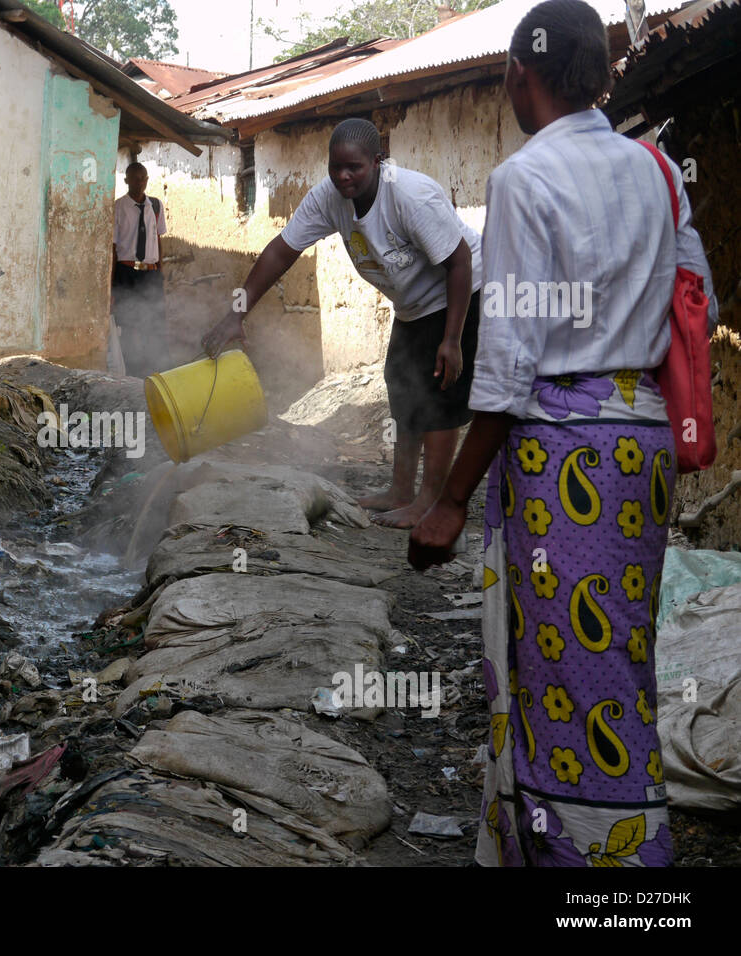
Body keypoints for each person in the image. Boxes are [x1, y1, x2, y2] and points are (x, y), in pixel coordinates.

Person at [408, 0, 718, 867]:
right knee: (619, 654)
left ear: (517, 73)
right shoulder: (658, 170)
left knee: (568, 674)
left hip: (562, 458)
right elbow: (700, 305)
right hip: (644, 448)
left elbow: (505, 365)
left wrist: (448, 502)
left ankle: (606, 875)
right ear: (605, 77)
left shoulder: (522, 180)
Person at [203, 119, 482, 528]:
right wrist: (236, 313)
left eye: (354, 168)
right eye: (336, 167)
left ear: (377, 161)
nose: (344, 176)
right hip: (413, 304)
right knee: (403, 388)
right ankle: (401, 491)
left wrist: (453, 339)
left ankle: (430, 502)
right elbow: (282, 252)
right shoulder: (328, 198)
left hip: (463, 291)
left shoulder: (410, 196)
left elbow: (460, 261)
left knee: (439, 395)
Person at [112, 162, 167, 378]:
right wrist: (111, 288)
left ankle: (155, 370)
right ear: (126, 180)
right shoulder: (118, 207)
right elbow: (113, 248)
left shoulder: (156, 205)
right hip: (126, 273)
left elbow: (158, 238)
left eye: (143, 178)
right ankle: (132, 372)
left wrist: (160, 270)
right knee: (128, 323)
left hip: (150, 274)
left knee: (154, 321)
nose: (140, 182)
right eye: (135, 178)